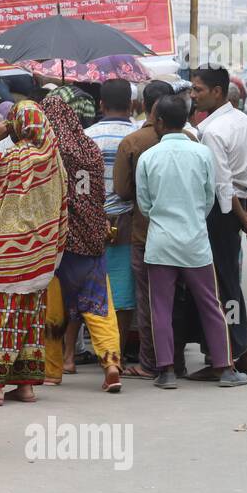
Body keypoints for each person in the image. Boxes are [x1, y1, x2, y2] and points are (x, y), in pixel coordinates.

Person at [0, 99, 67, 405]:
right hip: (39, 256)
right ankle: (24, 385)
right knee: (28, 319)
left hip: (7, 253)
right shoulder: (54, 158)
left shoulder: (14, 157)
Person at [137, 96, 247, 389]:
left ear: (159, 122)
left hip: (160, 242)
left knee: (160, 307)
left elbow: (144, 205)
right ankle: (225, 368)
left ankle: (166, 371)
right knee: (211, 304)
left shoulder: (148, 158)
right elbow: (207, 198)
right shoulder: (202, 155)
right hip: (195, 242)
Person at [42, 92, 122, 392]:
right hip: (92, 239)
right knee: (99, 305)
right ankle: (111, 363)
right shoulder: (90, 148)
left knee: (53, 311)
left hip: (58, 244)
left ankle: (52, 371)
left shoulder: (49, 151)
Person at [189, 63, 247, 377]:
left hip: (223, 211)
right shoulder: (243, 121)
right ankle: (240, 351)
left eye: (198, 90)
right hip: (239, 208)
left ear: (217, 92)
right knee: (228, 281)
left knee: (219, 286)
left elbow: (223, 185)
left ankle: (230, 355)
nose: (193, 95)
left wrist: (246, 222)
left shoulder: (212, 132)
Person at [112, 80, 182, 378]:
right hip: (185, 233)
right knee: (179, 298)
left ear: (146, 105)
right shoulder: (191, 140)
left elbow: (123, 191)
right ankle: (175, 358)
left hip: (144, 231)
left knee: (148, 299)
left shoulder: (133, 142)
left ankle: (149, 361)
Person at [85, 77, 138, 353]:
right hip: (127, 223)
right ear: (131, 104)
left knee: (91, 289)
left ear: (100, 104)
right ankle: (117, 349)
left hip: (91, 223)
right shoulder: (139, 136)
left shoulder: (87, 136)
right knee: (124, 291)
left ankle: (97, 349)